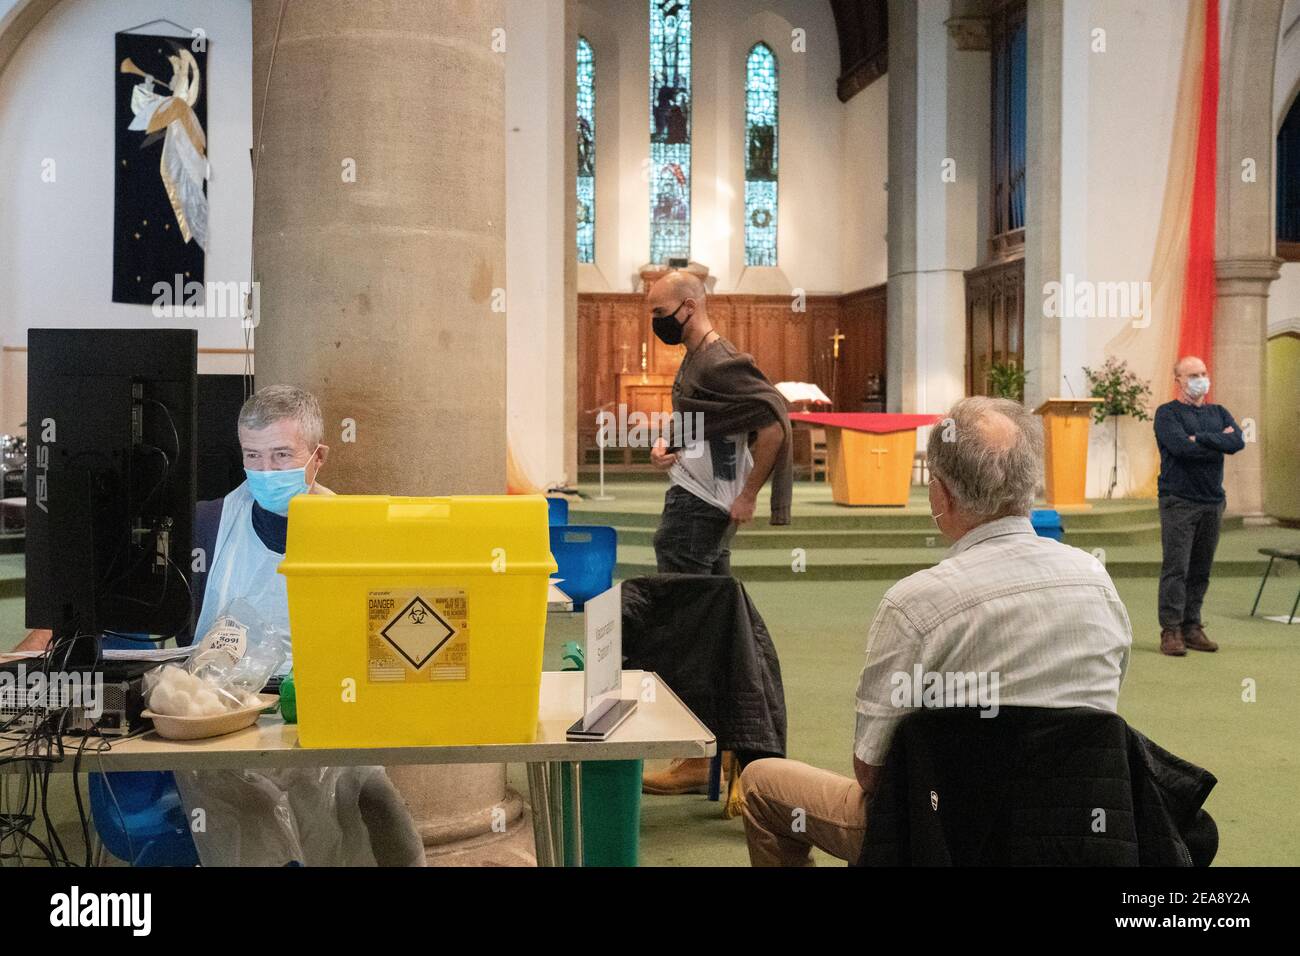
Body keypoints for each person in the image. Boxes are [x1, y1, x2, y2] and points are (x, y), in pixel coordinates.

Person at [12, 385, 423, 866]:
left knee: (384, 819)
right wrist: (43, 635)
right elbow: (112, 597)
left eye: (281, 455)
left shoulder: (357, 532)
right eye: (253, 456)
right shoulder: (205, 527)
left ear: (318, 457)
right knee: (251, 812)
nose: (266, 472)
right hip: (217, 722)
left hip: (316, 723)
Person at [738, 397, 1132, 866]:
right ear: (1031, 484)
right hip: (1074, 831)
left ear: (940, 495)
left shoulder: (915, 604)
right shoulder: (1097, 581)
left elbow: (870, 771)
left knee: (761, 781)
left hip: (941, 835)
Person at [641, 270, 793, 796]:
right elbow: (707, 423)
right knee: (718, 627)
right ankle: (724, 749)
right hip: (698, 502)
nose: (655, 324)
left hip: (700, 512)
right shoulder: (698, 357)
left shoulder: (720, 360)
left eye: (660, 314)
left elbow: (774, 420)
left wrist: (750, 492)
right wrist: (670, 449)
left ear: (688, 306)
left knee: (689, 631)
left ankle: (697, 755)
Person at [1152, 357, 1244, 656]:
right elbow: (1181, 448)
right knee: (1176, 567)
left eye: (1203, 373)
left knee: (1201, 568)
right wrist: (1216, 442)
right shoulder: (1167, 414)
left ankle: (1192, 626)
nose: (1200, 379)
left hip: (1212, 501)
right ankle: (1171, 630)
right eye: (1192, 374)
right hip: (1178, 500)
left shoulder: (1219, 412)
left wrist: (1201, 438)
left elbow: (1237, 442)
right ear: (1178, 379)